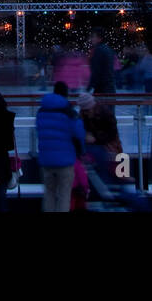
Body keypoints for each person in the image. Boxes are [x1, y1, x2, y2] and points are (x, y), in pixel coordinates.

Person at [36, 81, 84, 212]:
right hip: (65, 160)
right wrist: (81, 152)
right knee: (64, 195)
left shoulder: (41, 111)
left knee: (49, 194)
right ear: (66, 94)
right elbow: (79, 134)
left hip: (46, 160)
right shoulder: (69, 112)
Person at [88, 29, 116, 95]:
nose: (91, 39)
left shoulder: (98, 50)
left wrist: (89, 87)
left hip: (102, 89)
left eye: (93, 37)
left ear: (99, 38)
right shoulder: (108, 49)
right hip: (109, 87)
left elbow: (96, 71)